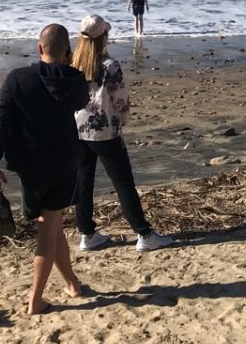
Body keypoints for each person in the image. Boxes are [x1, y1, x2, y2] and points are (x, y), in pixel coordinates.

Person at [0, 23, 90, 315]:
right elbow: (82, 103)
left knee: (52, 225)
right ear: (67, 52)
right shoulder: (76, 80)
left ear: (39, 48)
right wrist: (68, 67)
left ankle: (71, 283)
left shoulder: (18, 79)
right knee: (50, 228)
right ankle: (36, 301)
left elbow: (1, 122)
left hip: (30, 166)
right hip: (64, 162)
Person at [71, 14, 173, 253]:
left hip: (77, 129)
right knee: (123, 183)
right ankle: (144, 234)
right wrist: (123, 121)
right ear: (104, 36)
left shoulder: (73, 63)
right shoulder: (109, 65)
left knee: (83, 183)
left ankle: (87, 233)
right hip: (105, 131)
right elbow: (121, 100)